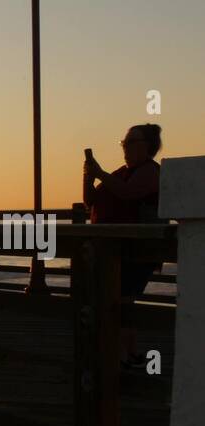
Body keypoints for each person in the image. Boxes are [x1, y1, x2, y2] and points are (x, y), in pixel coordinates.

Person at [84, 123, 164, 367]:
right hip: (119, 249)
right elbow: (91, 201)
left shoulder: (151, 171)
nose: (125, 148)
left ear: (147, 146)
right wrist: (89, 177)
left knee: (118, 299)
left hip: (139, 249)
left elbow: (129, 193)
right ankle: (129, 353)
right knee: (124, 299)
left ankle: (119, 356)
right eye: (124, 143)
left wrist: (100, 175)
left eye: (130, 143)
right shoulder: (120, 172)